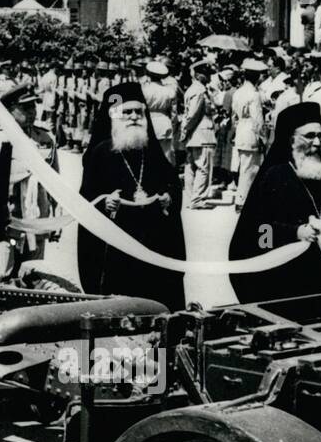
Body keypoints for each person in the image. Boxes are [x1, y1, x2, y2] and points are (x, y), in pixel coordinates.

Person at [229, 101, 321, 303]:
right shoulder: (275, 176)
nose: (317, 143)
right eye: (309, 136)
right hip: (282, 282)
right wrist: (295, 233)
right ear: (290, 141)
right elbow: (259, 235)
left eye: (320, 135)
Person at [76, 82, 187, 311]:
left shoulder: (150, 149)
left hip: (153, 242)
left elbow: (172, 182)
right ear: (114, 116)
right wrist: (105, 201)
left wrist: (169, 197)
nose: (134, 117)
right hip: (116, 245)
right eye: (127, 112)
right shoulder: (101, 153)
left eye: (139, 111)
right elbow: (86, 196)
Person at [231, 58, 267, 209]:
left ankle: (242, 198)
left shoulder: (238, 92)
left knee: (243, 168)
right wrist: (263, 137)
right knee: (249, 169)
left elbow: (233, 116)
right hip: (251, 132)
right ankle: (242, 200)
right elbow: (258, 119)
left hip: (241, 130)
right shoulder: (254, 94)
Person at [182, 60, 217, 208]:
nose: (209, 77)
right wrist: (186, 130)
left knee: (191, 166)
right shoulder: (199, 91)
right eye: (206, 74)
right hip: (202, 133)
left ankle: (191, 198)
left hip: (194, 134)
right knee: (203, 167)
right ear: (197, 75)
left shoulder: (193, 89)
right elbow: (193, 114)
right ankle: (197, 200)